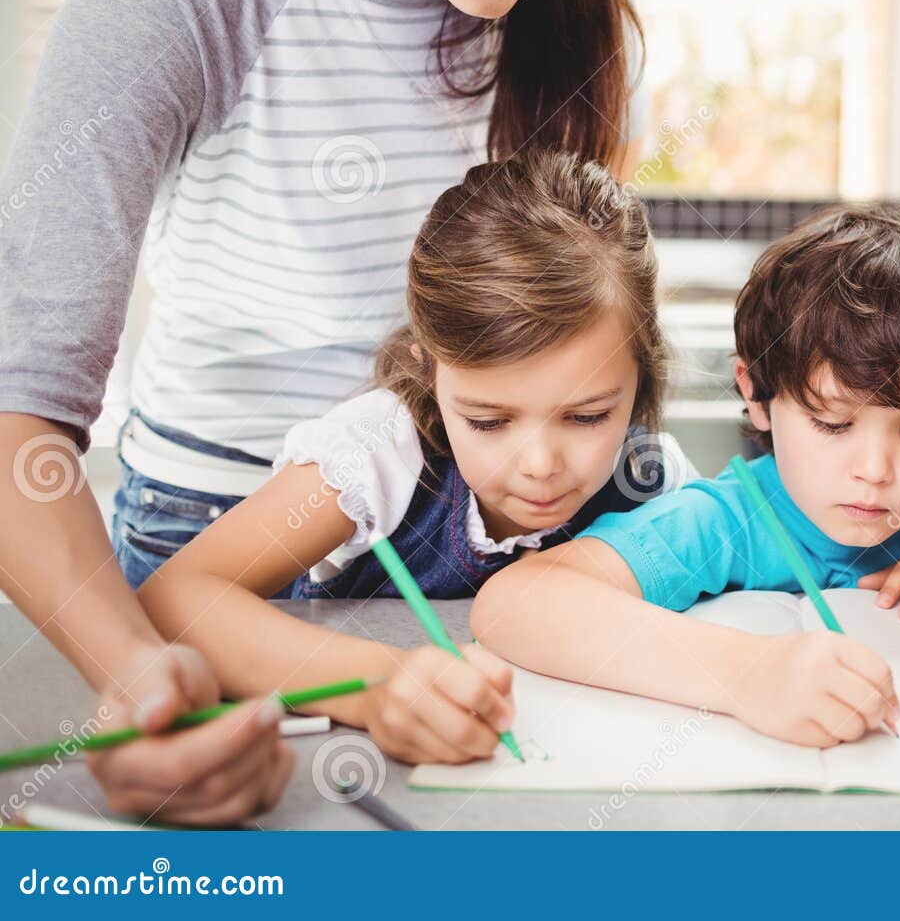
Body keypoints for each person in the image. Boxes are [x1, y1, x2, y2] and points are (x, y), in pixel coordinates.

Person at [0, 0, 690, 821]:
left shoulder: (572, 20)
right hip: (214, 549)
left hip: (465, 528)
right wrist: (141, 673)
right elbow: (19, 409)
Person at [138, 153, 692, 765]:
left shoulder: (650, 478)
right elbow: (176, 600)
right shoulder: (377, 452)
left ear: (642, 371)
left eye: (588, 416)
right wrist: (374, 687)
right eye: (488, 421)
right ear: (429, 365)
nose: (539, 464)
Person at [471, 206, 900, 747]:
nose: (875, 473)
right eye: (833, 423)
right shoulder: (718, 523)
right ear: (757, 395)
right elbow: (517, 602)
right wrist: (747, 673)